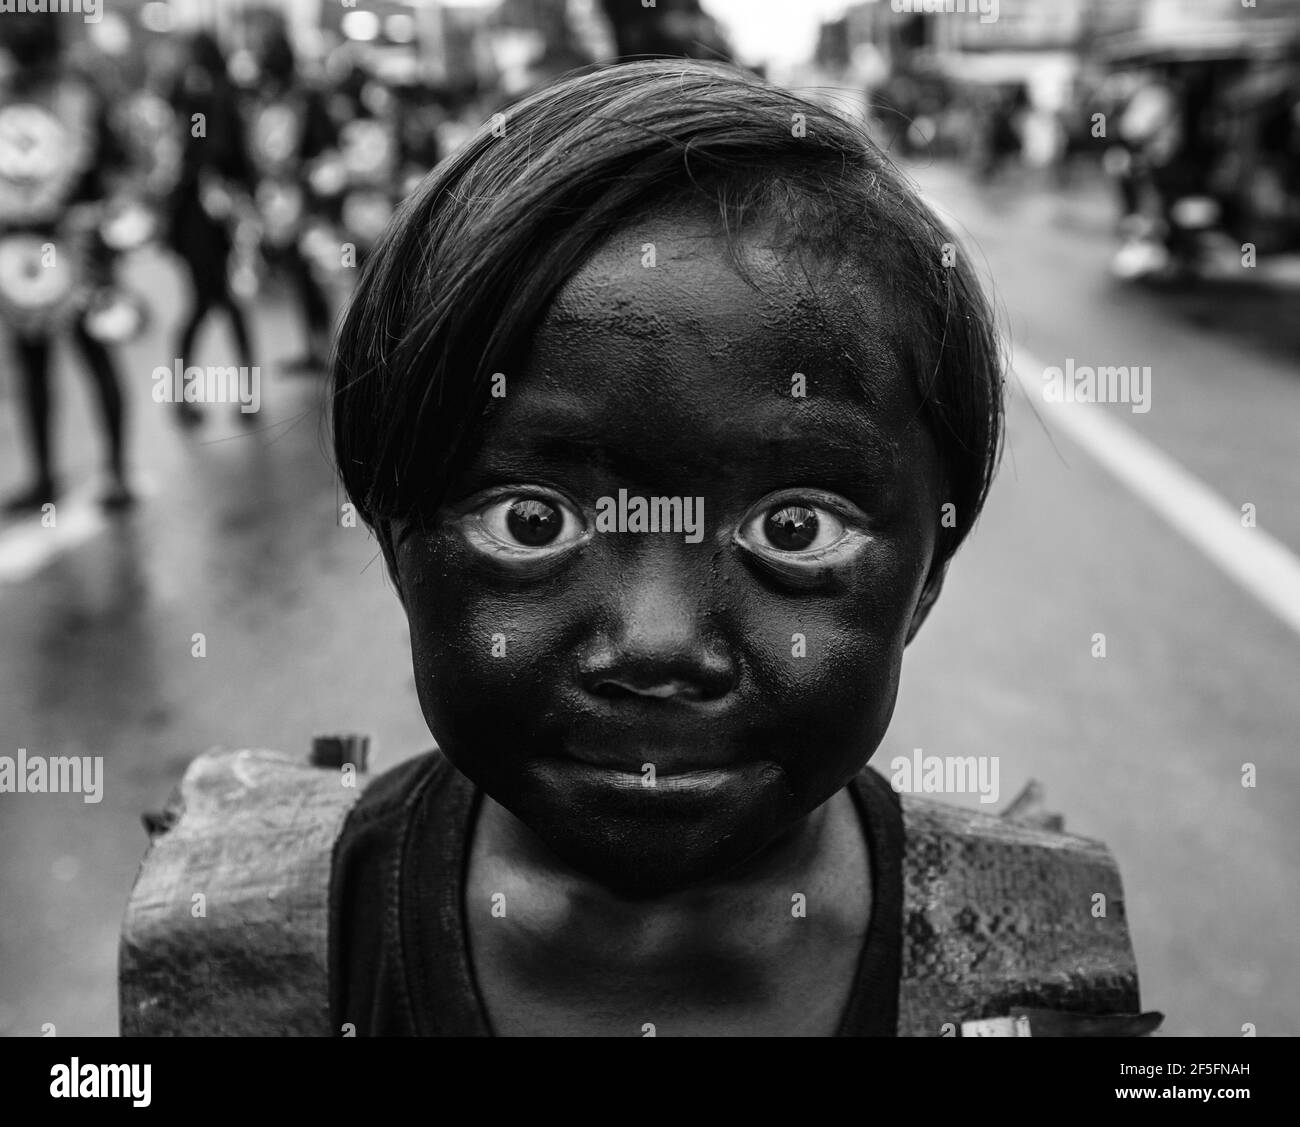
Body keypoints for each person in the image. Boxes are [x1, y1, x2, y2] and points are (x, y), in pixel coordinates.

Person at [122, 61, 1158, 1038]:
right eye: (532, 521)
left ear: (926, 573)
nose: (656, 644)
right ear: (399, 539)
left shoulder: (1026, 962)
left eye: (792, 529)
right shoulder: (256, 938)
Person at [0, 15, 132, 512]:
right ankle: (42, 477)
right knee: (31, 362)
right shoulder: (8, 91)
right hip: (19, 250)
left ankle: (116, 472)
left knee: (94, 352)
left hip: (75, 245)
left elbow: (115, 162)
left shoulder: (82, 90)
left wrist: (97, 217)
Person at [164, 31, 257, 428]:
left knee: (206, 306)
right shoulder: (221, 94)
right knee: (224, 306)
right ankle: (246, 396)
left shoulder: (204, 98)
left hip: (202, 222)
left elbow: (206, 148)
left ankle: (186, 397)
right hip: (216, 220)